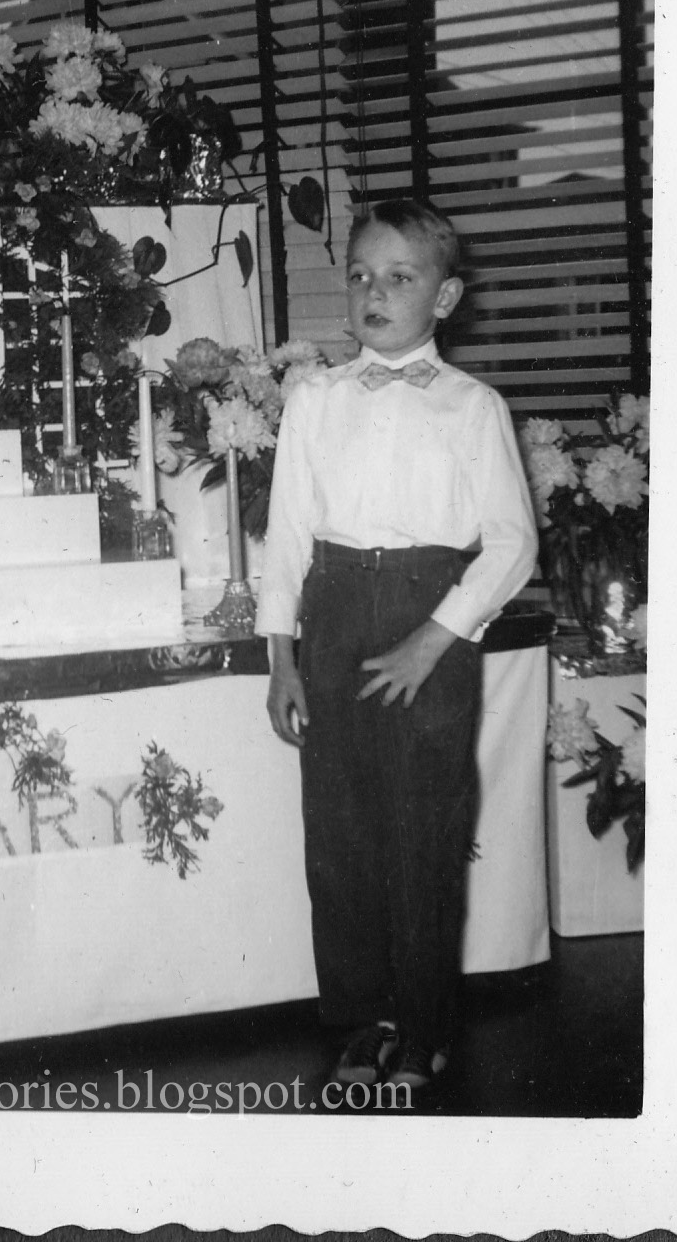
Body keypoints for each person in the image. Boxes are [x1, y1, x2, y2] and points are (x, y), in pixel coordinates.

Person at [255, 199, 537, 1097]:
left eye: (400, 277)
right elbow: (288, 533)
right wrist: (281, 656)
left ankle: (423, 1028)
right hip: (332, 612)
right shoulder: (314, 399)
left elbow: (510, 544)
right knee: (338, 835)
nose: (373, 291)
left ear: (445, 296)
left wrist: (432, 640)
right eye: (360, 274)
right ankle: (361, 1019)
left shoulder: (470, 407)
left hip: (430, 615)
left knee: (421, 832)